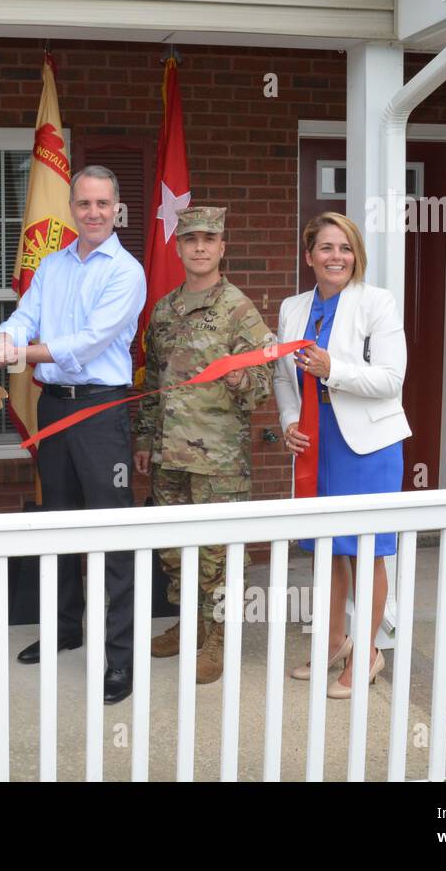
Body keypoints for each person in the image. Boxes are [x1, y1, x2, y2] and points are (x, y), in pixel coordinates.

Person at [0, 164, 146, 704]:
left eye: (103, 204)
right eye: (84, 204)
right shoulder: (51, 266)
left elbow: (88, 342)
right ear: (71, 208)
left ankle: (118, 657)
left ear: (116, 208)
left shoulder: (126, 271)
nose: (93, 213)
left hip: (100, 414)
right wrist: (4, 338)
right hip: (54, 409)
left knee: (112, 537)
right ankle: (66, 627)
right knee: (58, 522)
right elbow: (25, 317)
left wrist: (21, 354)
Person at [133, 206, 275, 682]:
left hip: (218, 458)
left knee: (216, 551)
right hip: (169, 452)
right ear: (178, 247)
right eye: (190, 239)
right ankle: (191, 624)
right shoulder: (165, 309)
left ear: (221, 248)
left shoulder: (240, 308)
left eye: (208, 240)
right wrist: (143, 438)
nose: (199, 247)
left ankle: (218, 636)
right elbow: (153, 379)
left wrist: (238, 377)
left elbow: (263, 381)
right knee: (176, 549)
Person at [273, 211, 411, 699]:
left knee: (366, 550)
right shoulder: (292, 308)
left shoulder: (378, 303)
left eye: (346, 248)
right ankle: (334, 640)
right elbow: (280, 377)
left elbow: (391, 379)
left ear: (357, 257)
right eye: (326, 248)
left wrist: (334, 368)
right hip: (316, 439)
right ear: (309, 256)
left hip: (368, 444)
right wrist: (290, 421)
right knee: (326, 548)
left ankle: (369, 651)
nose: (337, 257)